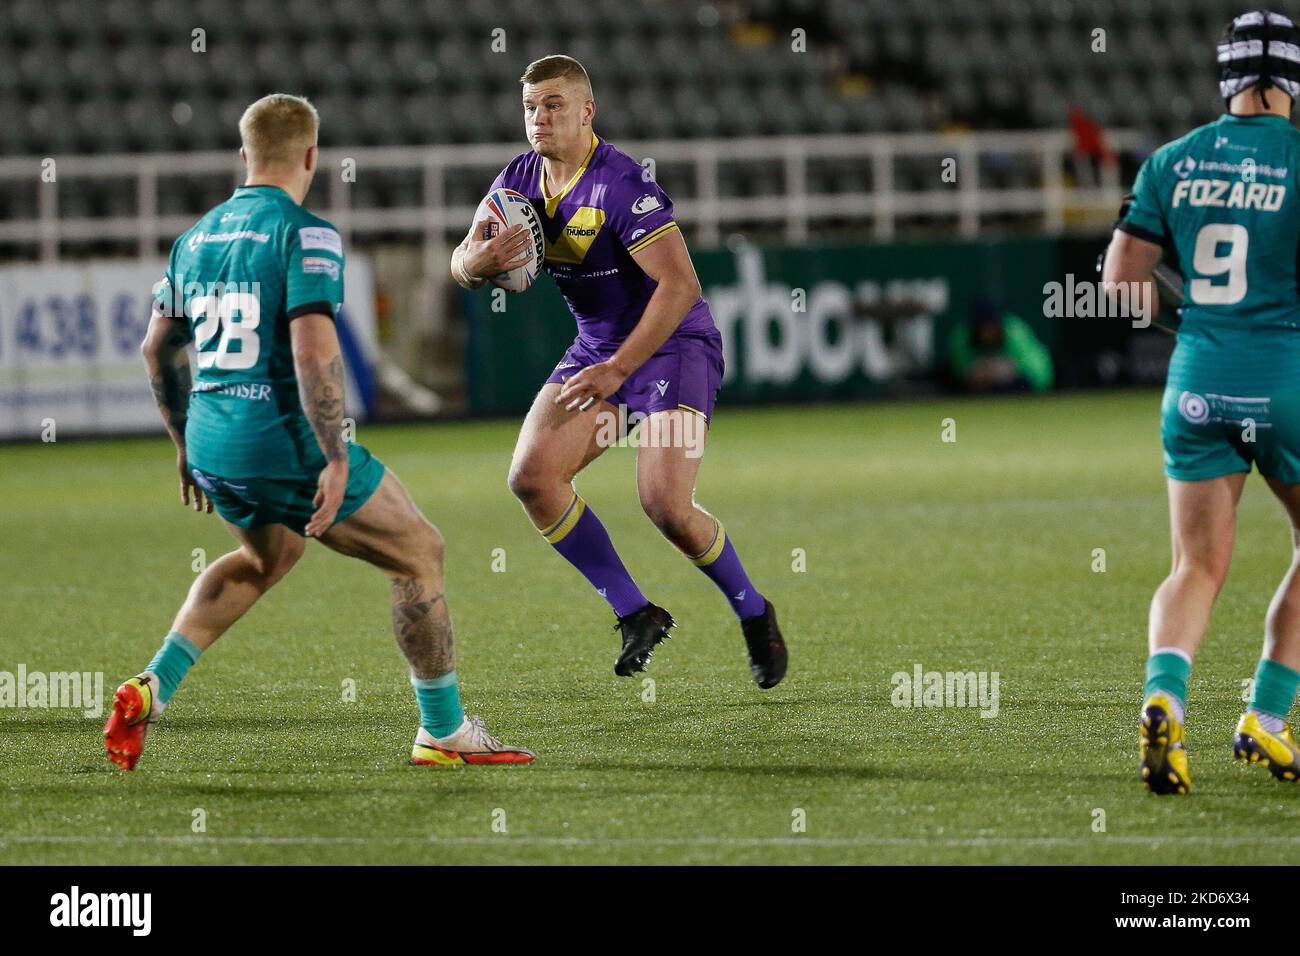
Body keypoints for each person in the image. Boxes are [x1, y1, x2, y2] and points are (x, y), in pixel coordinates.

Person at [105, 93, 533, 771]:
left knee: (265, 558)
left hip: (216, 443)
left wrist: (185, 445)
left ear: (244, 157)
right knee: (419, 552)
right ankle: (442, 732)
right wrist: (334, 456)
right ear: (311, 157)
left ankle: (152, 684)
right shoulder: (305, 234)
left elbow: (156, 348)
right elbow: (311, 351)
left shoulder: (196, 238)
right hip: (284, 442)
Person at [449, 56, 788, 687]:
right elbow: (461, 260)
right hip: (597, 347)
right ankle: (636, 612)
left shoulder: (623, 184)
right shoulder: (518, 181)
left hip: (671, 347)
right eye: (529, 106)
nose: (539, 118)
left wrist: (619, 367)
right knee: (533, 479)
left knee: (665, 505)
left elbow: (680, 286)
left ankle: (753, 609)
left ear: (586, 110)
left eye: (552, 104)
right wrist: (478, 260)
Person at [1102, 11, 1300, 793]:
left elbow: (1119, 284)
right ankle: (1267, 716)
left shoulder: (1171, 161)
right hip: (1285, 376)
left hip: (1195, 379)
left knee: (1195, 566)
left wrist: (1196, 324)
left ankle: (1163, 699)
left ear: (1228, 83)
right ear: (1286, 82)